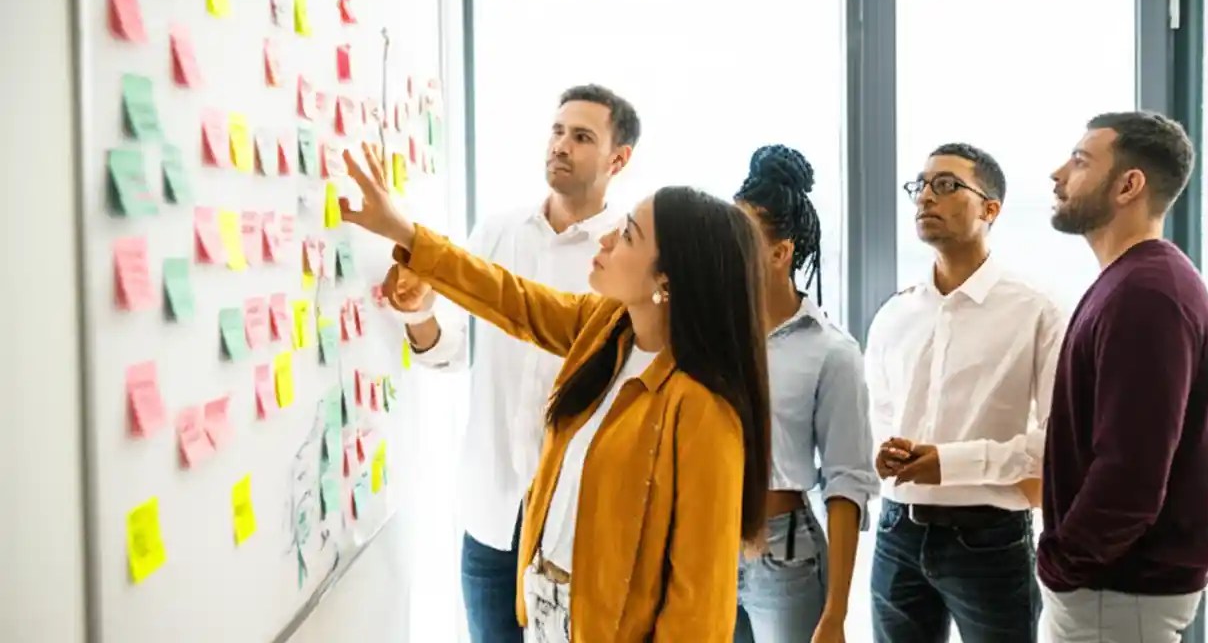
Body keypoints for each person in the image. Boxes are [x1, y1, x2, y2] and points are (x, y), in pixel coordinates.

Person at [341, 140, 773, 641]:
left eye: (627, 235)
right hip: (549, 618)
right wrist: (403, 232)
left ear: (667, 281)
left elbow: (699, 607)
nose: (606, 238)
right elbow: (510, 297)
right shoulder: (607, 329)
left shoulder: (702, 409)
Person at [394, 85, 637, 642]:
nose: (561, 146)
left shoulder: (625, 255)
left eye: (582, 137)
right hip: (492, 513)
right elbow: (453, 350)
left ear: (618, 159)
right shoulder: (497, 232)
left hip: (578, 524)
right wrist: (418, 314)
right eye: (557, 131)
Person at [864, 143, 1065, 643]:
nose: (925, 197)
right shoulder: (894, 314)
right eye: (921, 185)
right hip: (896, 531)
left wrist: (950, 464)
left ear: (990, 209)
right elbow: (879, 417)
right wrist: (882, 454)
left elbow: (1058, 444)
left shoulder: (1036, 310)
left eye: (946, 185)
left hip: (989, 536)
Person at [1040, 112, 1208, 642]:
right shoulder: (1137, 282)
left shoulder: (1146, 295)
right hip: (1114, 588)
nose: (1058, 174)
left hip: (1116, 591)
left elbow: (1132, 474)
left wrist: (1062, 563)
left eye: (1080, 161)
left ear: (1129, 185)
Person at [731, 145, 877, 643]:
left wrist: (836, 614)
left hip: (785, 558)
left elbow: (847, 483)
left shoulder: (831, 351)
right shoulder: (710, 337)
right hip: (705, 546)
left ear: (780, 253)